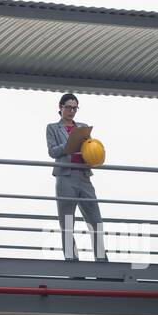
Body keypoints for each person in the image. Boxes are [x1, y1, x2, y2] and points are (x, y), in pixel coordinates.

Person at [45, 93, 108, 262]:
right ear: (60, 108)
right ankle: (72, 263)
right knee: (67, 223)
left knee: (96, 221)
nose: (72, 111)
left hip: (84, 176)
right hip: (65, 177)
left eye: (75, 108)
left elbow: (90, 148)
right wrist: (69, 145)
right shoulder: (52, 127)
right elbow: (52, 151)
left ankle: (102, 262)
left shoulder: (83, 126)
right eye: (69, 107)